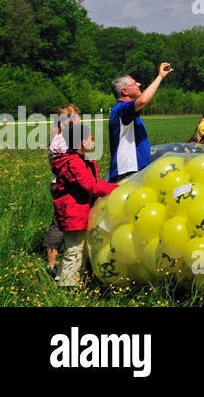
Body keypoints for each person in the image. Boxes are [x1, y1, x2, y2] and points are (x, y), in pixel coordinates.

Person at [51, 122, 118, 287]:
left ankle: (62, 278)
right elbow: (92, 186)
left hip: (80, 213)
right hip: (73, 214)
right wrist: (115, 188)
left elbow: (93, 183)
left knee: (78, 249)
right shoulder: (73, 163)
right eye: (91, 139)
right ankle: (68, 287)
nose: (93, 142)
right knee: (74, 251)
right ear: (81, 142)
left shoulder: (82, 161)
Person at [108, 62, 173, 182]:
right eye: (134, 83)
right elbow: (143, 100)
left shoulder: (127, 111)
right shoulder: (122, 109)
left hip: (134, 170)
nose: (139, 84)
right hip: (126, 172)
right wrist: (160, 77)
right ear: (125, 91)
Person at [43, 105, 79, 272]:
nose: (79, 120)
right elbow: (73, 167)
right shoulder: (65, 140)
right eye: (77, 117)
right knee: (60, 224)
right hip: (66, 185)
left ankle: (54, 262)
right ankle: (54, 264)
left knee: (58, 222)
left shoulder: (57, 136)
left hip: (58, 183)